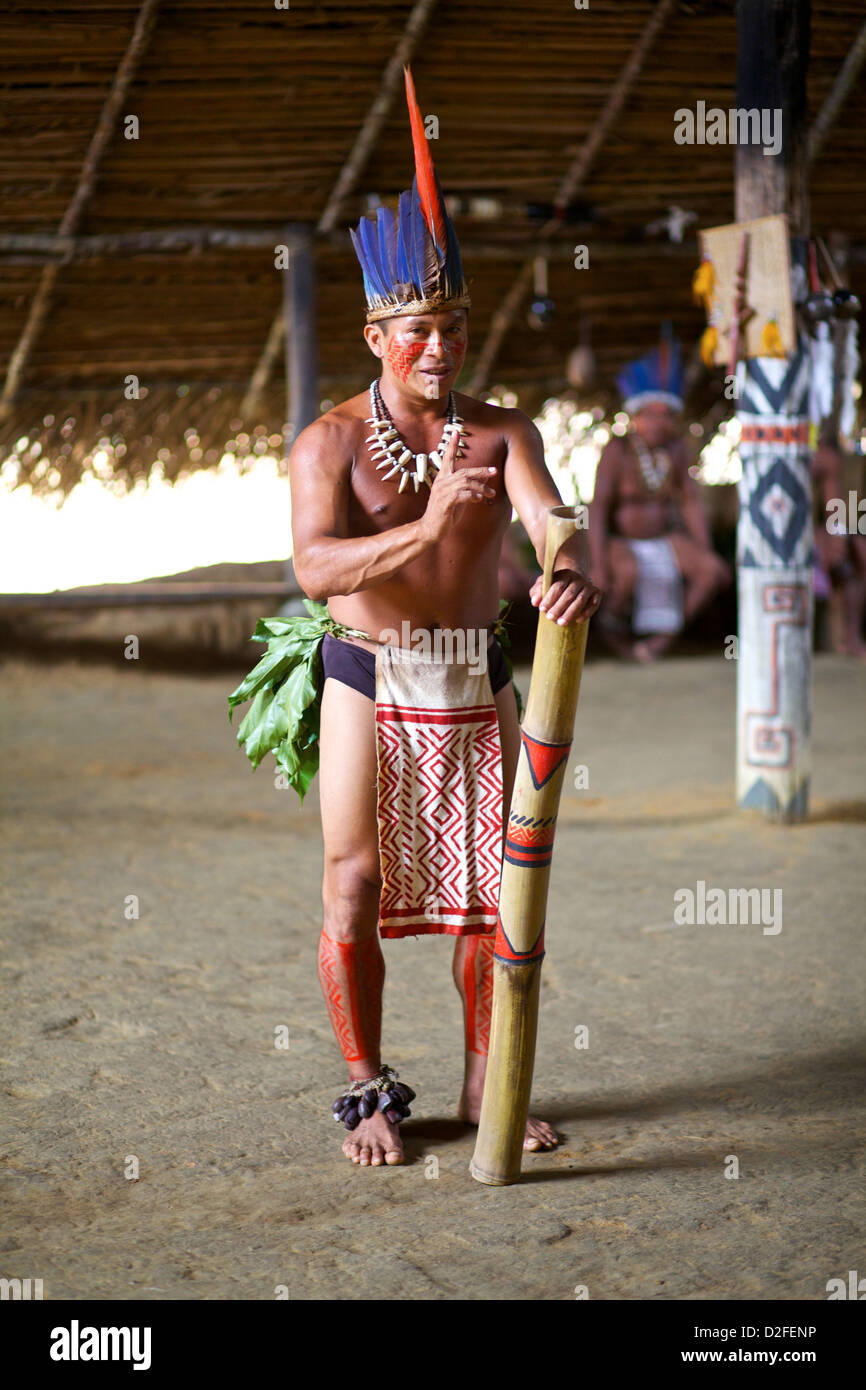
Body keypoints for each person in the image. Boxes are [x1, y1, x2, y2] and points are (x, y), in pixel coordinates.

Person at [287, 69, 601, 1167]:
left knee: (487, 891)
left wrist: (569, 569)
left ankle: (483, 1079)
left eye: (452, 325)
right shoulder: (325, 443)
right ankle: (366, 1089)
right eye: (417, 329)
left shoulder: (503, 430)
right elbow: (315, 567)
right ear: (376, 333)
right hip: (366, 675)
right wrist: (421, 532)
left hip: (475, 676)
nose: (438, 347)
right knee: (353, 879)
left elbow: (553, 523)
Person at [589, 341, 730, 661]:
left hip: (665, 540)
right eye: (650, 415)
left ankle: (660, 643)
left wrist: (702, 547)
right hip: (622, 542)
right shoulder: (618, 450)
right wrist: (598, 562)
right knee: (623, 574)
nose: (658, 423)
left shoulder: (677, 450)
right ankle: (617, 642)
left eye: (665, 415)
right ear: (635, 416)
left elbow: (689, 501)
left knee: (711, 571)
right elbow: (597, 508)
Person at [812, 436, 866, 658]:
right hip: (794, 534)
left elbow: (835, 517)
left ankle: (850, 638)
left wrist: (838, 536)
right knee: (833, 555)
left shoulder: (829, 460)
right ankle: (839, 640)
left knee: (856, 553)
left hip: (827, 532)